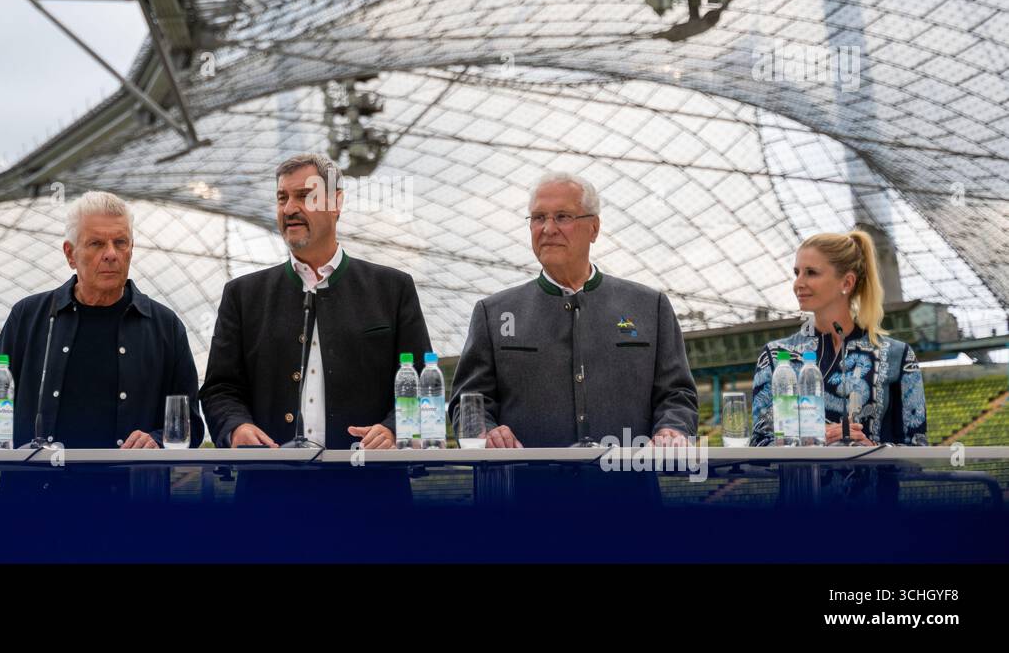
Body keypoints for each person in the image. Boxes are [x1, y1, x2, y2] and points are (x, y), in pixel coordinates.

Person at [200, 153, 431, 504]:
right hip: (269, 501)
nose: (290, 208)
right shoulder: (244, 296)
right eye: (282, 198)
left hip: (371, 499)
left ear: (336, 203)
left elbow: (420, 386)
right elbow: (220, 389)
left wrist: (393, 430)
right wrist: (236, 428)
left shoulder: (392, 289)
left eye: (304, 196)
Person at [449, 172, 698, 448]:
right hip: (529, 487)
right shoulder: (493, 313)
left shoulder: (650, 306)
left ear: (594, 228)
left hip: (626, 484)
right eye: (538, 217)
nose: (548, 228)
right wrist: (485, 432)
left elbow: (677, 394)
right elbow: (469, 402)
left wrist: (673, 428)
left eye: (563, 217)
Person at [0, 191, 203, 470]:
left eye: (120, 242)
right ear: (70, 254)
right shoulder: (28, 317)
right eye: (96, 243)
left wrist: (157, 439)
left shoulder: (165, 326)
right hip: (35, 503)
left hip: (131, 505)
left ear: (131, 248)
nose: (111, 254)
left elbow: (189, 423)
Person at [751, 230, 927, 447]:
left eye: (811, 273)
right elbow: (759, 444)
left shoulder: (898, 355)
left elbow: (918, 448)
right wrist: (813, 437)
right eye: (797, 273)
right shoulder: (775, 355)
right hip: (802, 482)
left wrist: (869, 449)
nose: (798, 283)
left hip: (875, 482)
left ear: (847, 283)